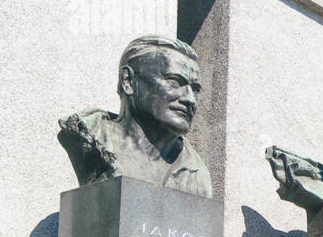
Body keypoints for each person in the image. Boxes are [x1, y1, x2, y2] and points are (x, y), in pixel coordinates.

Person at [58, 35, 211, 196]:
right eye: (174, 81)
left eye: (195, 89)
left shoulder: (196, 173)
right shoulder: (89, 136)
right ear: (128, 81)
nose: (190, 99)